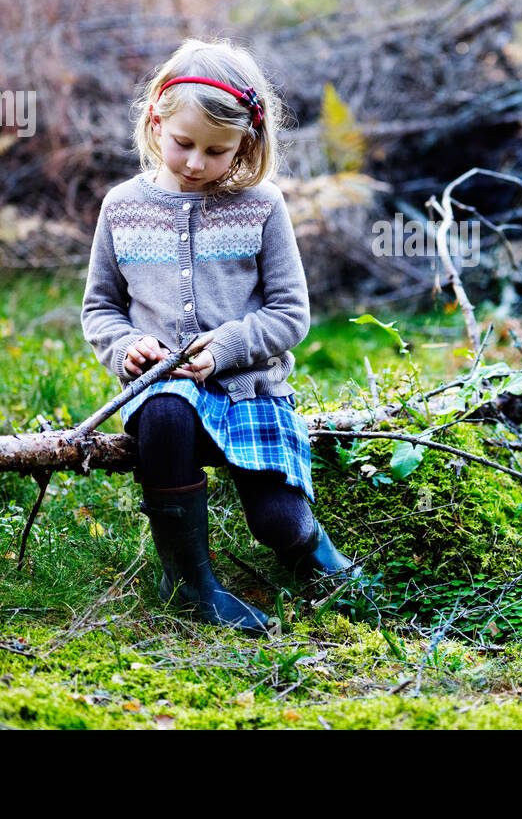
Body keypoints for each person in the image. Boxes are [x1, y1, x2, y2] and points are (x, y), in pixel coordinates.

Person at [80, 36, 361, 635]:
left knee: (278, 524)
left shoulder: (260, 206)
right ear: (156, 116)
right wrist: (126, 348)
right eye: (185, 144)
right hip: (167, 392)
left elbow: (291, 313)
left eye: (218, 151)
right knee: (164, 414)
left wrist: (227, 347)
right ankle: (189, 581)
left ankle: (313, 545)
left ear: (246, 143)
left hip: (250, 391)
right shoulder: (122, 207)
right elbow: (101, 309)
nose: (197, 164)